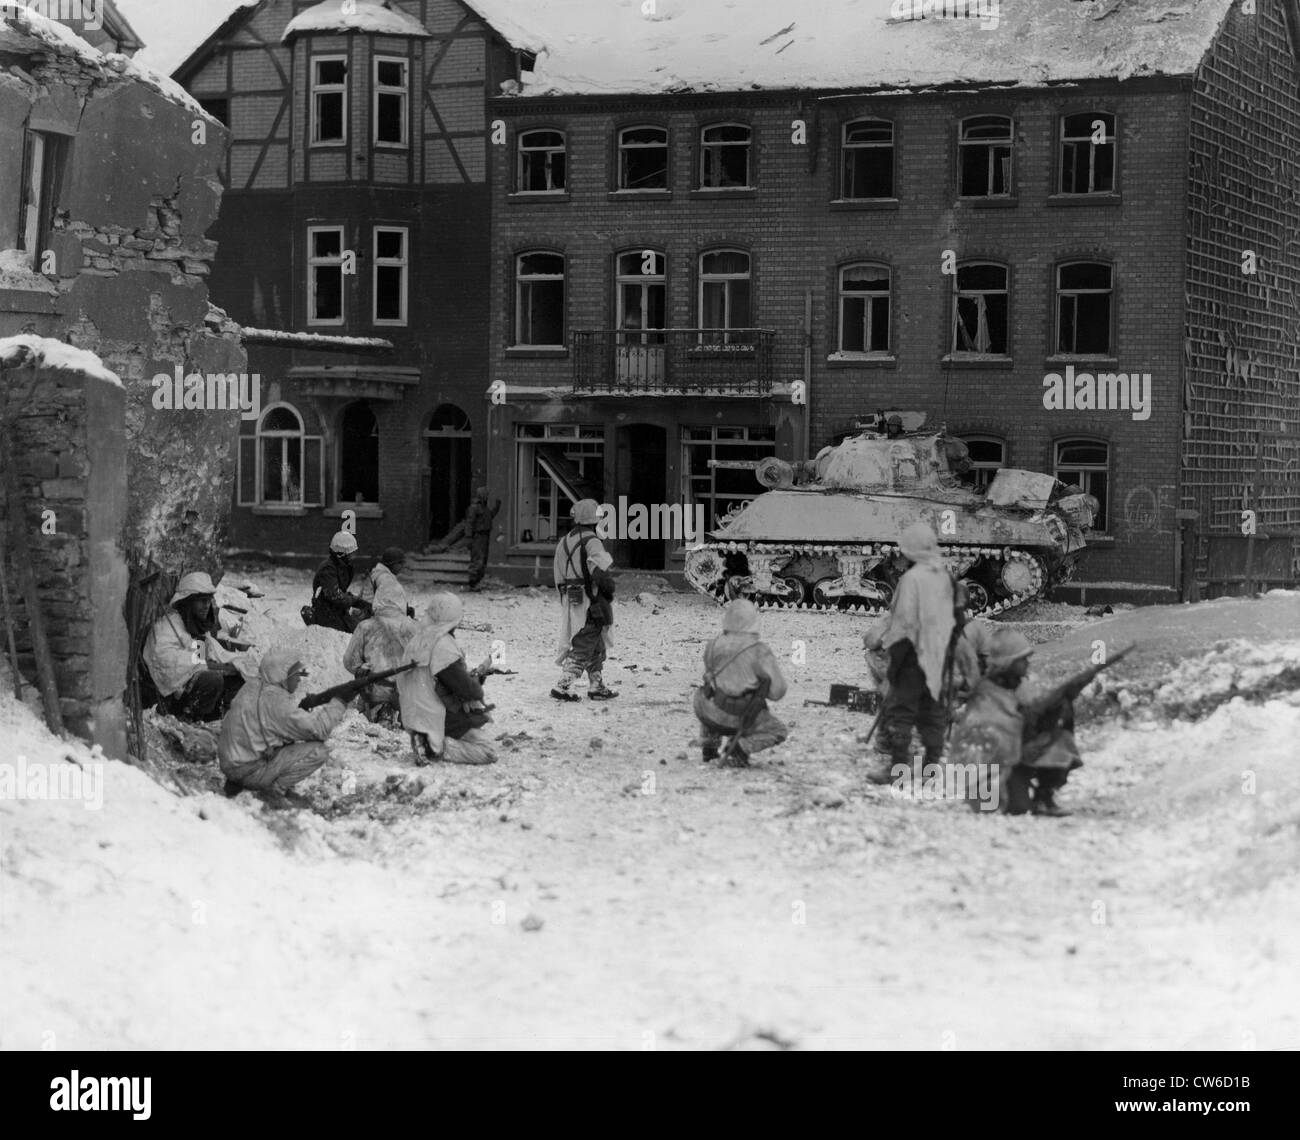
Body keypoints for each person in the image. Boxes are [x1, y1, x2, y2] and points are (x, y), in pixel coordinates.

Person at [946, 629, 1081, 817]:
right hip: (989, 773)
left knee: (1059, 738)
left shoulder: (1020, 687)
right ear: (1008, 662)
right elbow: (989, 744)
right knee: (1014, 808)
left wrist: (1058, 708)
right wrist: (1022, 748)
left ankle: (1044, 797)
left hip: (1013, 760)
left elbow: (1030, 720)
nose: (1027, 663)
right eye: (1022, 659)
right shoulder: (985, 696)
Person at [865, 521, 956, 784]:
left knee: (901, 711)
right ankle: (931, 767)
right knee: (933, 711)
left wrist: (895, 663)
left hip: (912, 655)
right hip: (939, 654)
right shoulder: (944, 576)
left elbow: (903, 623)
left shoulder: (911, 579)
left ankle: (897, 769)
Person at [217, 647, 346, 797]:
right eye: (295, 674)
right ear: (282, 675)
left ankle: (235, 785)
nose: (299, 678)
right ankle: (274, 792)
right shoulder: (275, 700)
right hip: (250, 772)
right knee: (319, 750)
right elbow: (319, 729)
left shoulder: (251, 686)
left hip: (231, 766)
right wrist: (340, 703)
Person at [397, 593, 498, 766]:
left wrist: (473, 677)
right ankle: (435, 747)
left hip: (413, 712)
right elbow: (467, 690)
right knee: (487, 751)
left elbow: (440, 678)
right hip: (435, 714)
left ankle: (429, 741)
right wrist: (477, 681)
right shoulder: (443, 644)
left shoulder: (419, 639)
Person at [693, 598, 788, 768]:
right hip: (737, 716)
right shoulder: (760, 650)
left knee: (713, 693)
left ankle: (709, 745)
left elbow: (708, 676)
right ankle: (740, 747)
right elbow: (777, 692)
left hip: (707, 712)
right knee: (779, 731)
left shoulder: (713, 644)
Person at [142, 571, 244, 722]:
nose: (206, 606)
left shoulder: (196, 626)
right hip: (170, 696)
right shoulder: (166, 626)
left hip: (191, 683)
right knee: (212, 680)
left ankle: (217, 720)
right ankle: (188, 718)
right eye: (201, 601)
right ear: (188, 602)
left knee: (237, 678)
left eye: (208, 601)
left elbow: (206, 654)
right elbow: (163, 661)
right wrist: (199, 664)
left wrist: (235, 664)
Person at [551, 498, 618, 701]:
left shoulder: (563, 541)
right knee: (587, 638)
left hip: (571, 596)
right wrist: (609, 591)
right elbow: (601, 570)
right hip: (592, 597)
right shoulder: (592, 540)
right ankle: (563, 684)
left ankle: (597, 685)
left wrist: (565, 598)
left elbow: (557, 576)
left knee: (594, 639)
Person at [342, 590, 417, 723]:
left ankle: (378, 708)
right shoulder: (415, 627)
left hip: (376, 691)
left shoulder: (365, 626)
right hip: (407, 692)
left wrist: (362, 668)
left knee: (362, 673)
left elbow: (349, 662)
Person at [427, 487, 502, 590]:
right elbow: (470, 521)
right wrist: (469, 534)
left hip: (485, 536)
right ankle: (473, 582)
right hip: (478, 536)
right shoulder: (474, 508)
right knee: (477, 558)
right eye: (485, 495)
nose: (486, 497)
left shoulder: (485, 509)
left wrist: (497, 507)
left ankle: (478, 580)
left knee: (483, 559)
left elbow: (489, 517)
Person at [311, 531, 373, 632]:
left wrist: (363, 604)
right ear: (341, 554)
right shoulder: (328, 570)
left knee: (360, 629)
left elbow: (341, 592)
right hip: (325, 612)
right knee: (354, 634)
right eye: (350, 554)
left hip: (337, 609)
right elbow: (335, 596)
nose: (353, 556)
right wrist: (354, 601)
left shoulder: (342, 567)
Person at [369, 546, 413, 618]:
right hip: (373, 620)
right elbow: (385, 608)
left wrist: (405, 608)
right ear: (393, 564)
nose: (402, 566)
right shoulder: (386, 579)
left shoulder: (379, 573)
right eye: (400, 563)